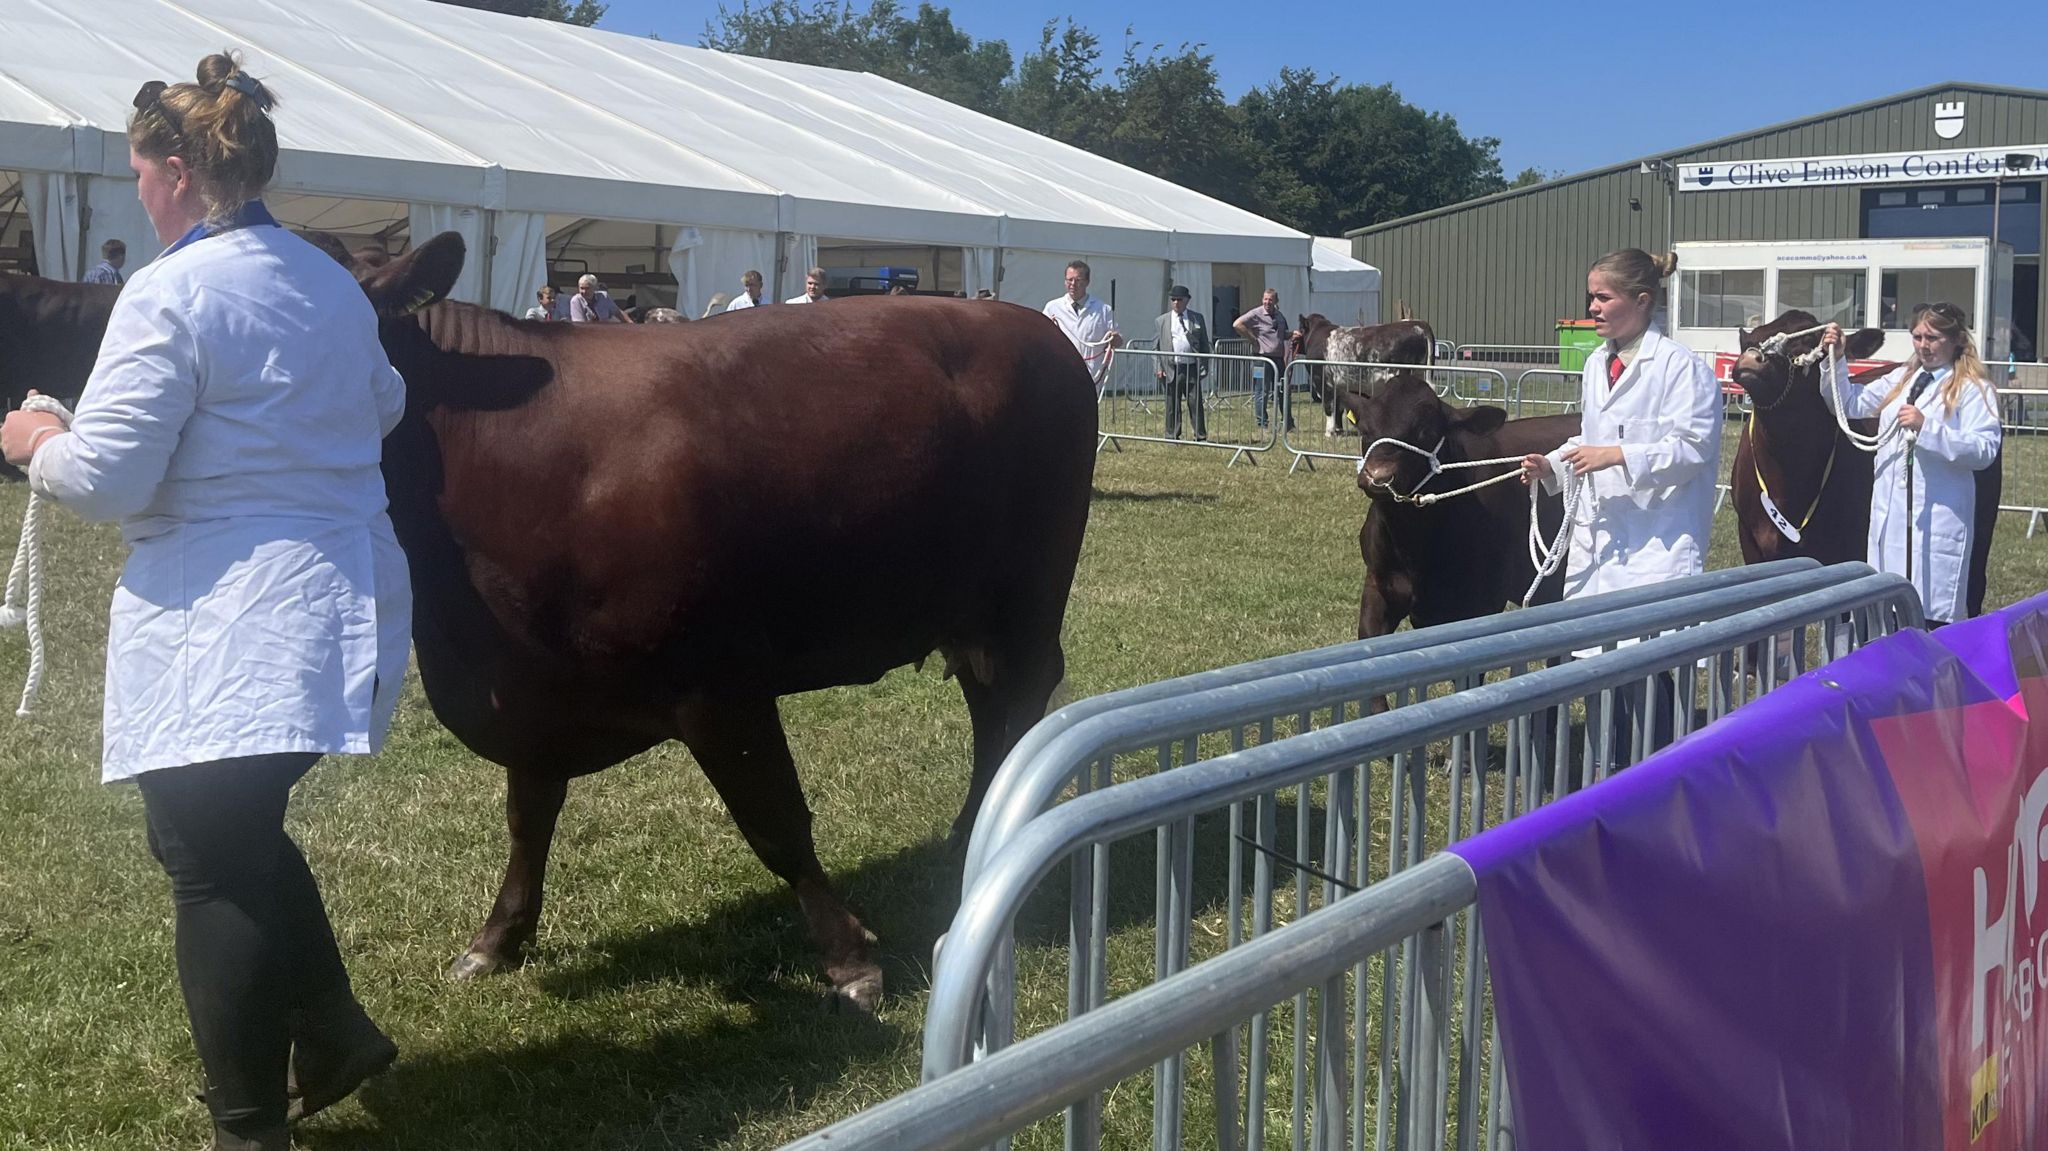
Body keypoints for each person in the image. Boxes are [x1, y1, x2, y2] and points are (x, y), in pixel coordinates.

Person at [1, 56, 412, 1151]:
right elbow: (385, 401)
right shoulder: (324, 278)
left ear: (176, 171)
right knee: (229, 830)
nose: (137, 188)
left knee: (206, 856)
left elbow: (106, 480)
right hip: (343, 590)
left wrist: (38, 438)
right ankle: (329, 1027)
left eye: (141, 168)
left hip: (239, 611)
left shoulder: (170, 288)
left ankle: (248, 1128)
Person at [1519, 249, 1719, 763]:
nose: (1594, 306)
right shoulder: (1595, 362)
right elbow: (1590, 436)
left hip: (1658, 539)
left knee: (1649, 669)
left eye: (1604, 297)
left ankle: (1661, 775)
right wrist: (1555, 466)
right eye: (1592, 296)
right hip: (1602, 539)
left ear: (1642, 300)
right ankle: (1606, 773)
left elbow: (1693, 448)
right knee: (1601, 667)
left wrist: (1617, 455)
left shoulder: (1681, 368)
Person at [1820, 303, 2001, 624]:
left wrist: (1927, 429)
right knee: (1884, 613)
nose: (1923, 346)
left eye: (1932, 338)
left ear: (1956, 339)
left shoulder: (1974, 389)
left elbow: (1983, 450)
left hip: (1937, 519)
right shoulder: (1902, 379)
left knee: (1927, 617)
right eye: (1917, 337)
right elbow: (1849, 403)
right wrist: (1836, 361)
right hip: (1890, 519)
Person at [1042, 259, 1121, 384]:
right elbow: (1042, 339)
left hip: (1091, 373)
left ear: (1087, 282)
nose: (1073, 284)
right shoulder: (1052, 308)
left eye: (1078, 280)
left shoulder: (1103, 310)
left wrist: (1115, 339)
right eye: (1069, 280)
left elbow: (1118, 340)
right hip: (1060, 371)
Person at [1154, 284, 1210, 440]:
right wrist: (1158, 367)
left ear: (1187, 300)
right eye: (1173, 299)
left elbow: (1204, 343)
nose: (1176, 302)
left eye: (1179, 299)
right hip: (1171, 368)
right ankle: (1172, 434)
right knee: (1172, 404)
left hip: (1191, 367)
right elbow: (1155, 347)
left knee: (1195, 403)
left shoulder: (1196, 318)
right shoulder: (1162, 321)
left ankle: (1200, 435)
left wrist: (1205, 365)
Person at [1233, 288, 1292, 430]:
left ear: (1276, 301)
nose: (1267, 302)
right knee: (1261, 391)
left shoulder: (1279, 315)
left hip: (1278, 359)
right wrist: (1252, 338)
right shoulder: (1256, 313)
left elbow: (1282, 335)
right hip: (1261, 359)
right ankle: (1262, 423)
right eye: (1265, 299)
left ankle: (1288, 423)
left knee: (1283, 390)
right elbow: (1237, 324)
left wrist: (1293, 335)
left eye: (1270, 299)